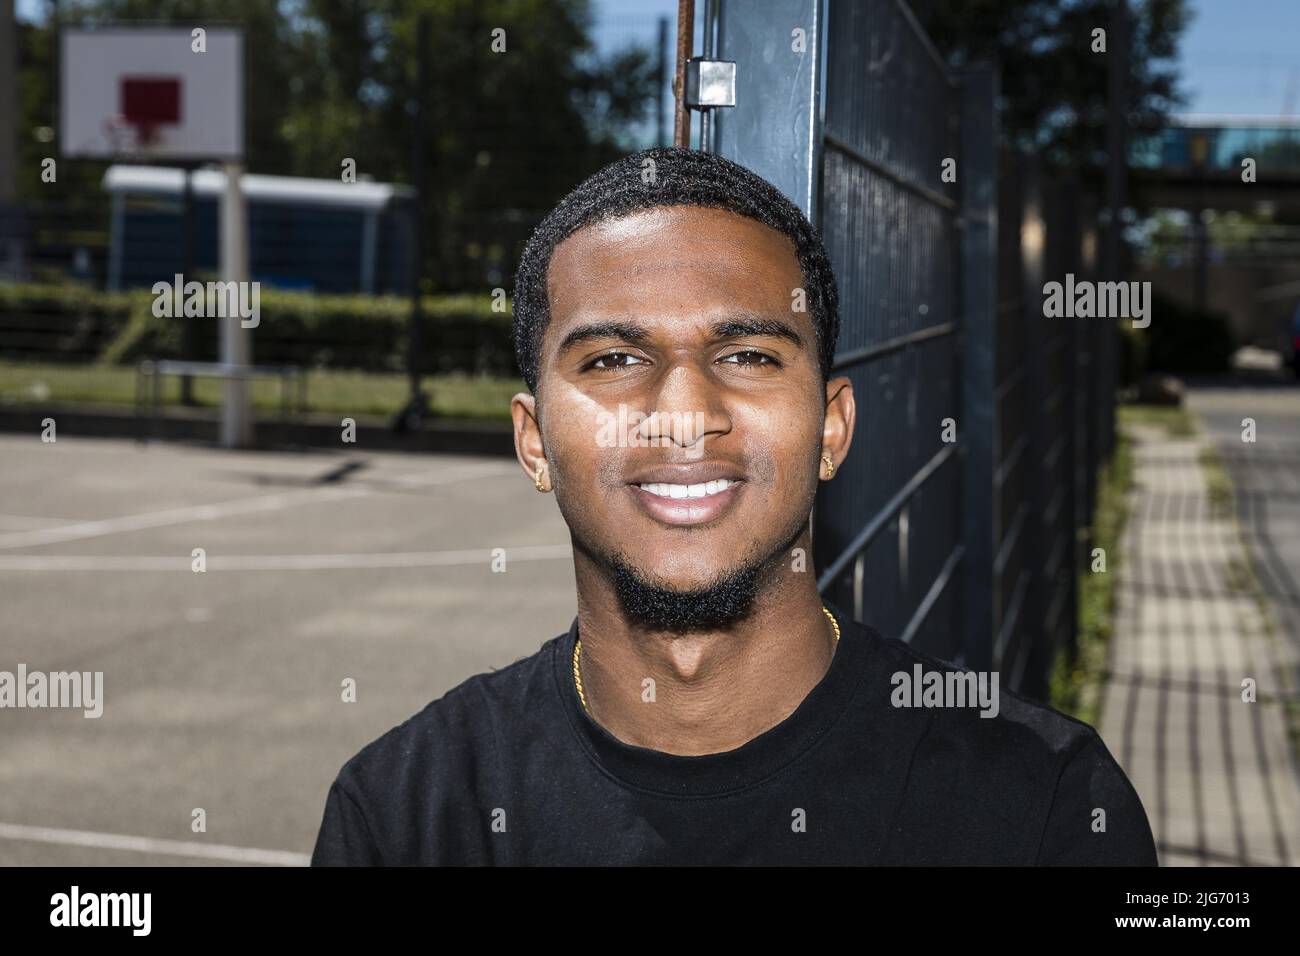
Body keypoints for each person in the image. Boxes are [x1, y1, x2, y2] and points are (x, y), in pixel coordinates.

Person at [311, 147, 1157, 866]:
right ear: (534, 442)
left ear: (831, 428)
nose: (684, 413)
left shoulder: (1044, 808)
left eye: (748, 354)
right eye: (612, 360)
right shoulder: (403, 818)